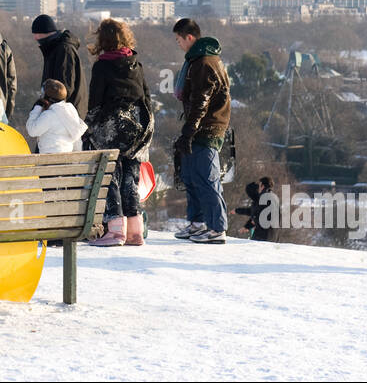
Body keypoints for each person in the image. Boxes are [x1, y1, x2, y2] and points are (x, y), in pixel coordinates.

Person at [84, 19, 154, 248]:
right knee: (130, 180)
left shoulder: (102, 66)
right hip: (137, 128)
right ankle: (135, 231)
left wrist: (89, 128)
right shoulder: (137, 64)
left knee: (110, 176)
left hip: (112, 127)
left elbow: (95, 101)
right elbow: (146, 98)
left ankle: (115, 230)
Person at [170, 18, 230, 244]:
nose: (178, 44)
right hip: (200, 128)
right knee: (191, 176)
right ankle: (198, 223)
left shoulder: (204, 62)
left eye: (179, 39)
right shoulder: (200, 60)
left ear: (189, 37)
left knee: (206, 177)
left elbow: (200, 102)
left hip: (208, 128)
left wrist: (189, 130)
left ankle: (217, 228)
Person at [31, 15, 87, 119]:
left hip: (66, 115)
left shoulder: (64, 50)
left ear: (44, 32)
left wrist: (46, 106)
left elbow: (65, 86)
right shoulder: (54, 48)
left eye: (36, 34)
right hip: (62, 112)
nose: (35, 38)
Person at [25, 79, 87, 154]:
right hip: (68, 160)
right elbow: (77, 140)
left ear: (46, 100)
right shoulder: (71, 112)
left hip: (49, 160)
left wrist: (37, 108)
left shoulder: (49, 115)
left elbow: (32, 131)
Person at [236, 177, 280, 241]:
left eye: (259, 185)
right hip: (274, 235)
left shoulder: (264, 198)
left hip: (263, 235)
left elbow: (259, 215)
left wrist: (254, 220)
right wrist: (249, 225)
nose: (258, 188)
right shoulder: (273, 197)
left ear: (262, 186)